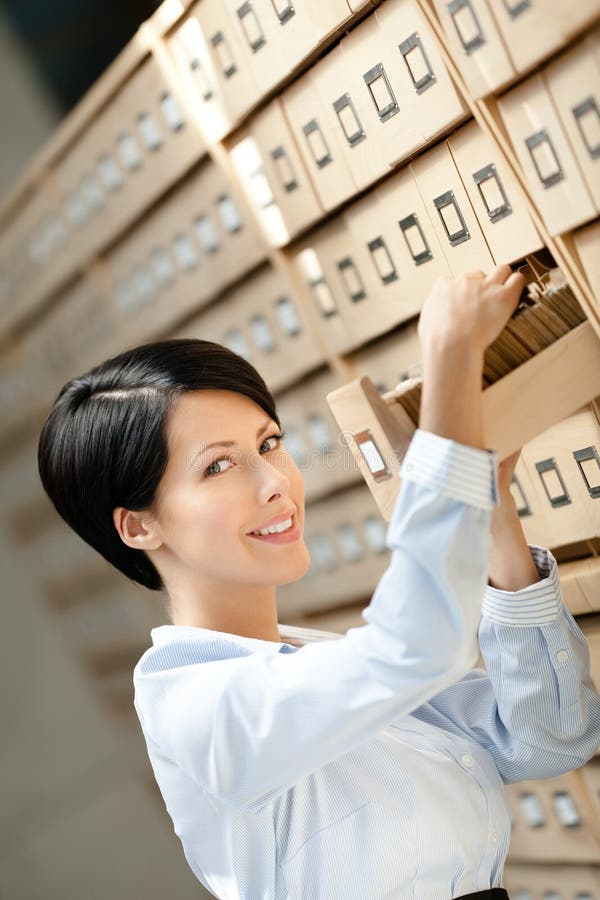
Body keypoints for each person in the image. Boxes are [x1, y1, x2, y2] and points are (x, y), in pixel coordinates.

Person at [37, 265, 600, 899]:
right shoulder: (200, 713)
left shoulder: (319, 661)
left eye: (269, 443)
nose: (275, 481)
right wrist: (450, 359)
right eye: (218, 465)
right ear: (139, 527)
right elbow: (415, 647)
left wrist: (491, 507)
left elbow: (547, 739)